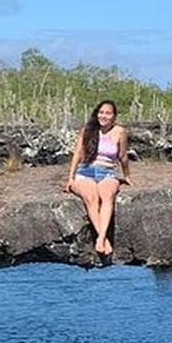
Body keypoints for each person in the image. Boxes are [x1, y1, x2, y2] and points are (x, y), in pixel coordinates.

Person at [62, 100, 131, 255]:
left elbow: (123, 156)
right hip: (85, 172)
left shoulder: (119, 132)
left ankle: (100, 238)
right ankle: (103, 238)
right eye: (101, 112)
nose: (104, 116)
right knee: (91, 197)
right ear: (96, 113)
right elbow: (77, 154)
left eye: (108, 113)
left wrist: (126, 175)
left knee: (107, 195)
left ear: (114, 116)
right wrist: (71, 178)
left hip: (107, 173)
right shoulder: (87, 130)